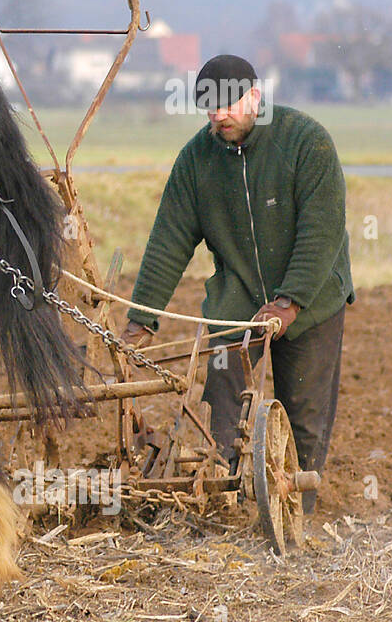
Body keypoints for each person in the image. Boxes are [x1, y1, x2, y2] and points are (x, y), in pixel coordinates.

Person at [120, 54, 354, 513]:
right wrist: (141, 320)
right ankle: (223, 501)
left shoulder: (306, 143)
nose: (218, 116)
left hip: (312, 303)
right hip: (237, 301)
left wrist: (290, 302)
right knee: (221, 402)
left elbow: (322, 230)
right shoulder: (196, 160)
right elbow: (169, 239)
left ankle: (294, 515)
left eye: (227, 105)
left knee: (303, 413)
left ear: (255, 97)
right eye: (209, 108)